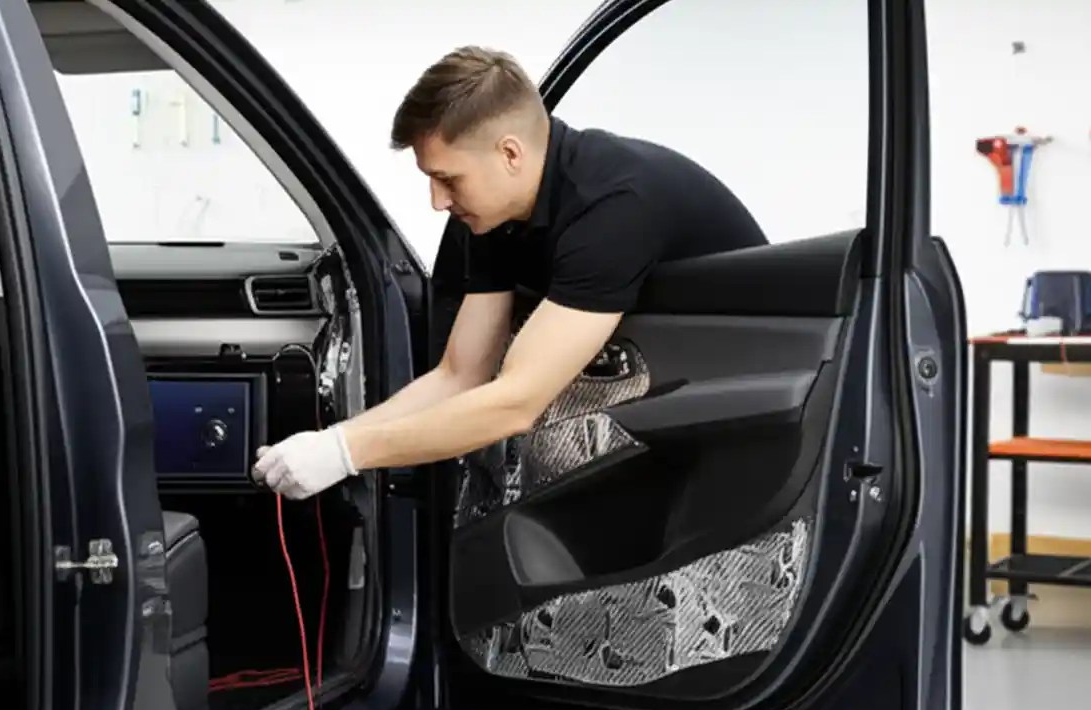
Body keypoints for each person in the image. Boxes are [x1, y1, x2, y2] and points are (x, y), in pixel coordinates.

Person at [253, 46, 767, 499]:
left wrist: (348, 453)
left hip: (741, 409)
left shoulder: (613, 208)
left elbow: (516, 403)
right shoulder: (497, 219)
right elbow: (461, 375)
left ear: (510, 154)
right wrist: (332, 440)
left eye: (446, 179)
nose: (437, 201)